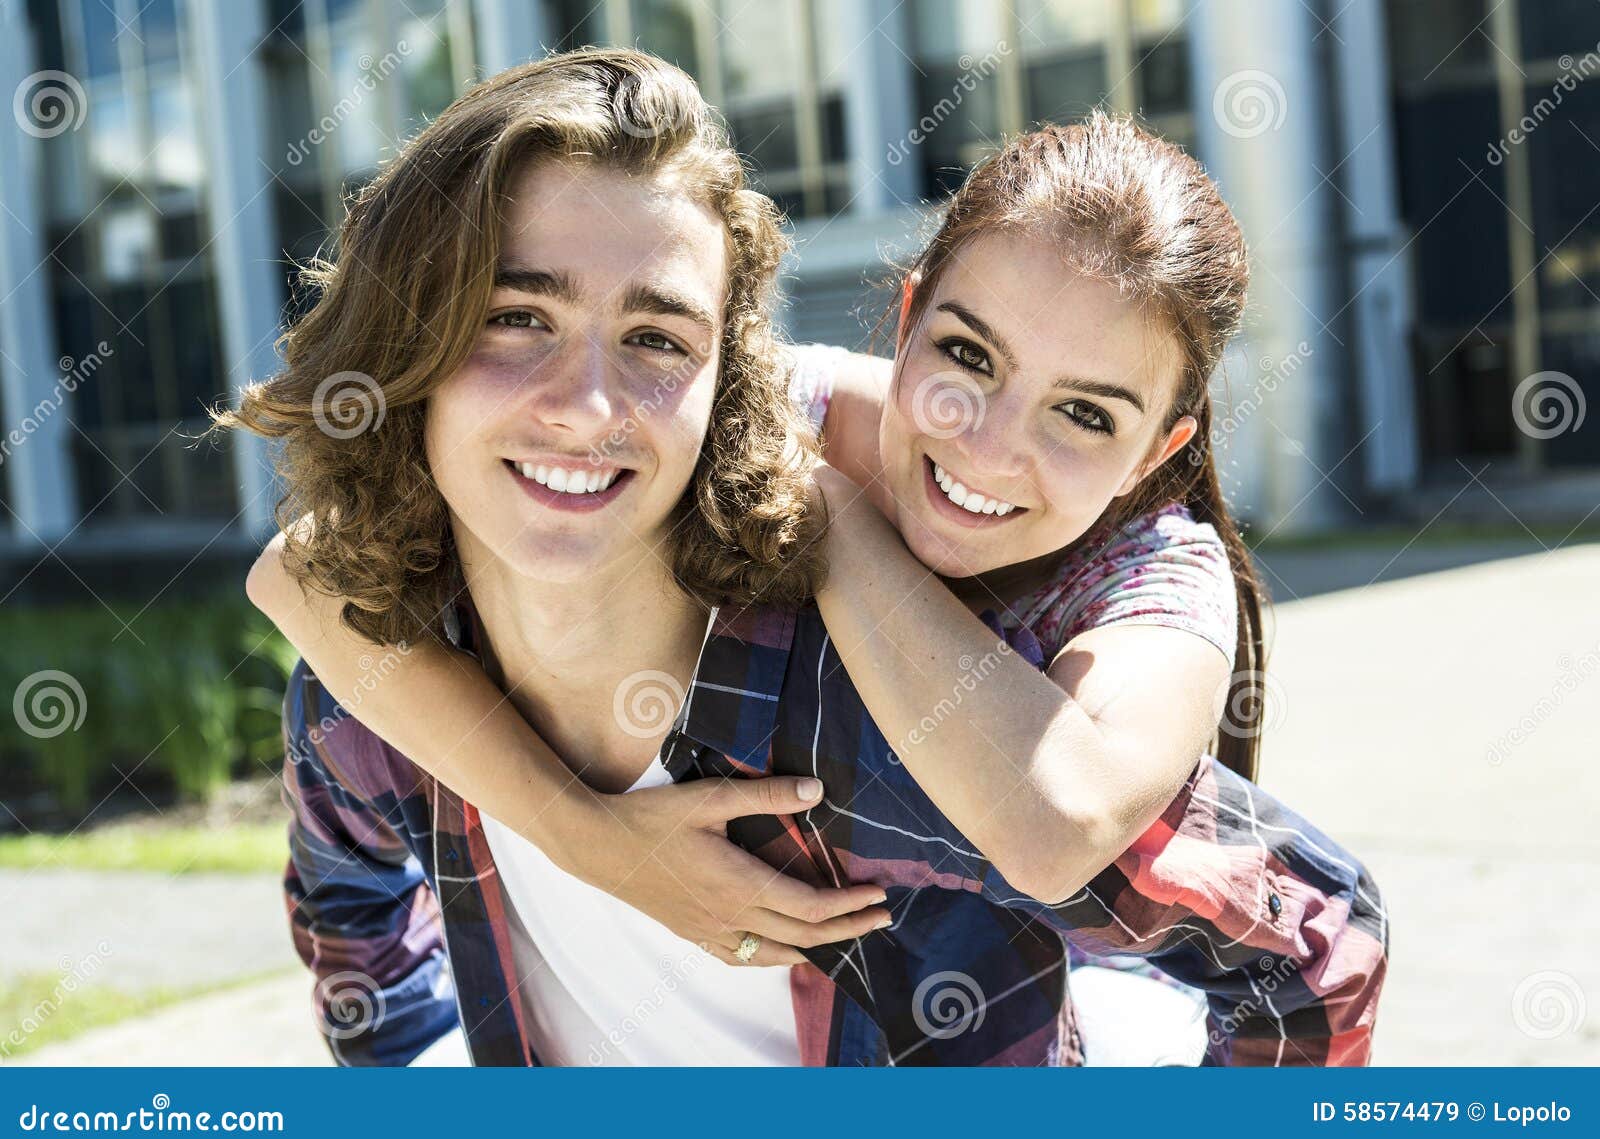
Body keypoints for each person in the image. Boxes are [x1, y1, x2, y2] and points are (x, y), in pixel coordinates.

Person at [231, 48, 1386, 1066]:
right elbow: (300, 596)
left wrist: (824, 513)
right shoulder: (382, 689)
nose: (585, 405)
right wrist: (585, 839)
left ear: (1155, 452)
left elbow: (1269, 925)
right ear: (908, 317)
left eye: (651, 339)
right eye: (515, 315)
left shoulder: (959, 705)